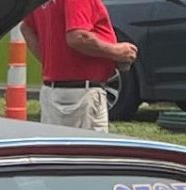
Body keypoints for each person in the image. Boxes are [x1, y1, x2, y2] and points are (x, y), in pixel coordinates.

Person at [20, 0, 136, 131]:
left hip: (54, 92)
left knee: (57, 148)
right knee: (87, 149)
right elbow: (78, 37)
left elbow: (26, 28)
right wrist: (116, 52)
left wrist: (52, 60)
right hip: (81, 95)